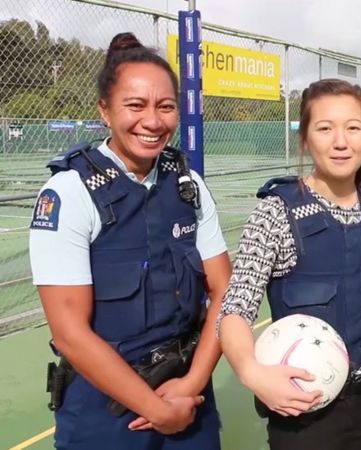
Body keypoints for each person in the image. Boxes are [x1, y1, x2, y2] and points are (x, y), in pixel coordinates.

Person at [28, 33, 231, 449]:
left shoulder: (188, 186)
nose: (153, 122)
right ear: (105, 110)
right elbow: (70, 334)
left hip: (187, 395)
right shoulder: (69, 193)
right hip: (107, 409)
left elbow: (225, 292)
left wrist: (191, 384)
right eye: (135, 105)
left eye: (166, 106)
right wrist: (156, 411)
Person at [217, 78, 361, 450]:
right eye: (325, 128)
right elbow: (235, 309)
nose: (341, 142)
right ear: (305, 138)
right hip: (303, 410)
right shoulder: (277, 211)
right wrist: (252, 373)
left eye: (353, 128)